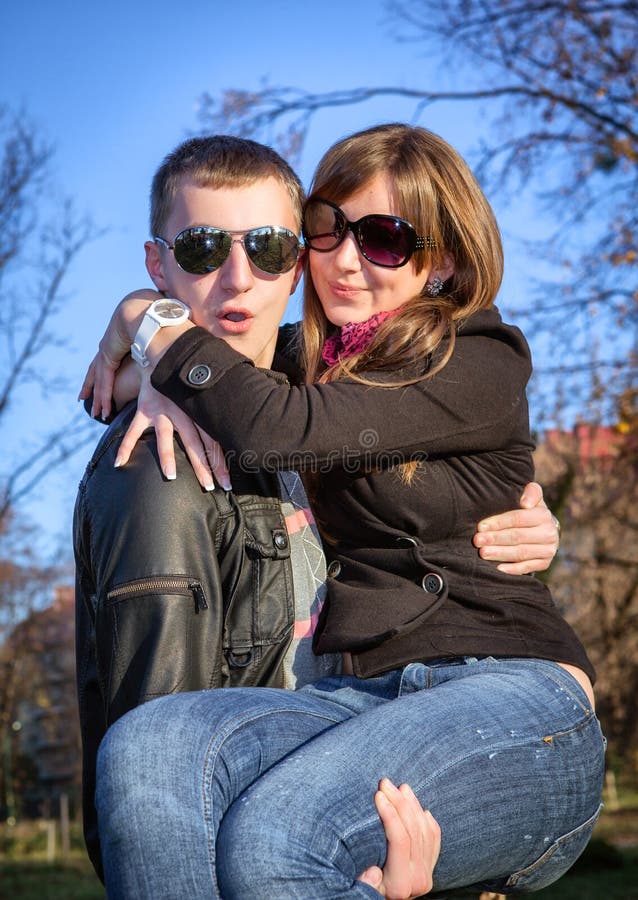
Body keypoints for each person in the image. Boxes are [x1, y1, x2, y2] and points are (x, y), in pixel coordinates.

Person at [80, 128, 579, 898]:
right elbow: (175, 373)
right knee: (145, 750)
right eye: (328, 228)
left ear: (442, 260)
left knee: (276, 835)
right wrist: (144, 318)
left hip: (510, 696)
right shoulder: (316, 362)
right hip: (363, 704)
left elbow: (270, 420)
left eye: (385, 238)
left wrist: (159, 337)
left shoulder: (479, 355)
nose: (345, 258)